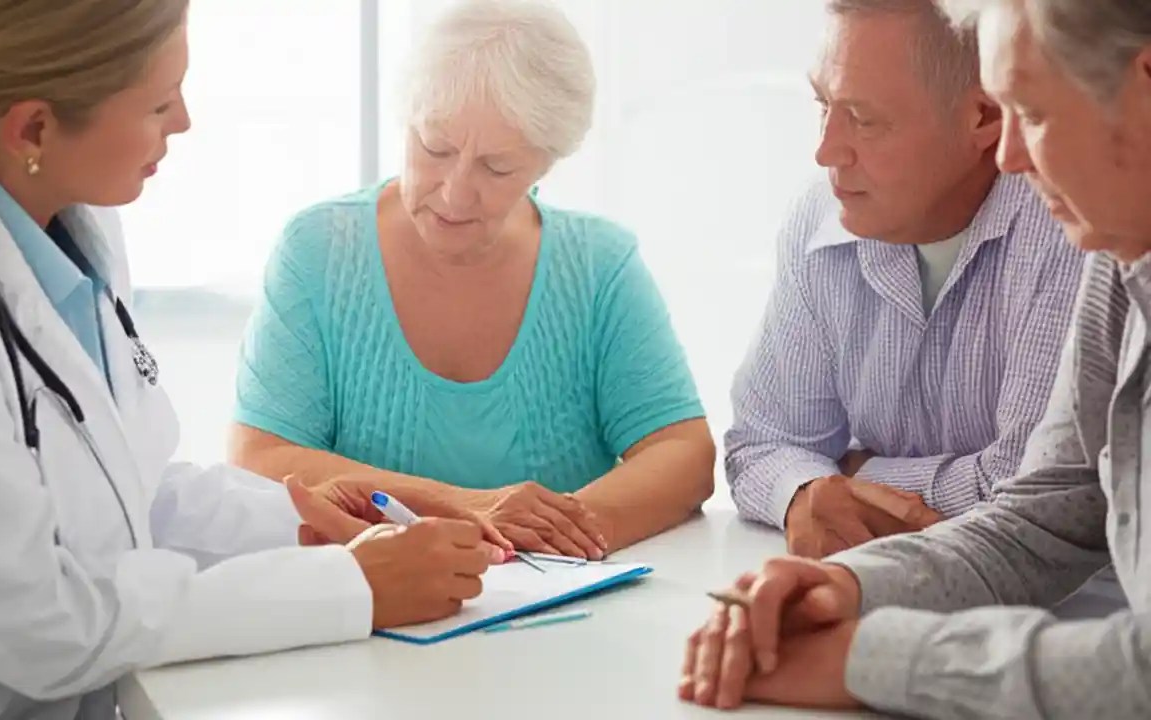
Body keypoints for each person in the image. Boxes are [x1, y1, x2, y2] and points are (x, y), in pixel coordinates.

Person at [0, 2, 511, 719]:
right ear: (34, 127)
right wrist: (350, 587)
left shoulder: (70, 223)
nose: (183, 122)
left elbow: (120, 489)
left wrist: (295, 521)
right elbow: (38, 621)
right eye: (158, 103)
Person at [681, 0, 1151, 717]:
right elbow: (1041, 518)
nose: (1010, 160)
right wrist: (851, 587)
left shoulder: (1073, 230)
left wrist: (873, 658)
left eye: (1033, 112)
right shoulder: (1119, 258)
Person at [229, 0, 715, 558]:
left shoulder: (600, 265)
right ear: (405, 120)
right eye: (435, 148)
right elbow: (259, 457)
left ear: (545, 164)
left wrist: (555, 534)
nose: (455, 193)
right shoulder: (316, 251)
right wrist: (468, 507)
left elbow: (683, 452)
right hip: (369, 613)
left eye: (497, 167)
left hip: (561, 614)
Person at [725, 0, 1083, 558]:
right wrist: (805, 491)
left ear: (985, 117)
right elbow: (764, 441)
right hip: (884, 589)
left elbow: (1028, 492)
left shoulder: (1073, 228)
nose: (825, 151)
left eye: (864, 120)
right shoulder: (820, 218)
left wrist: (859, 473)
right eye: (823, 104)